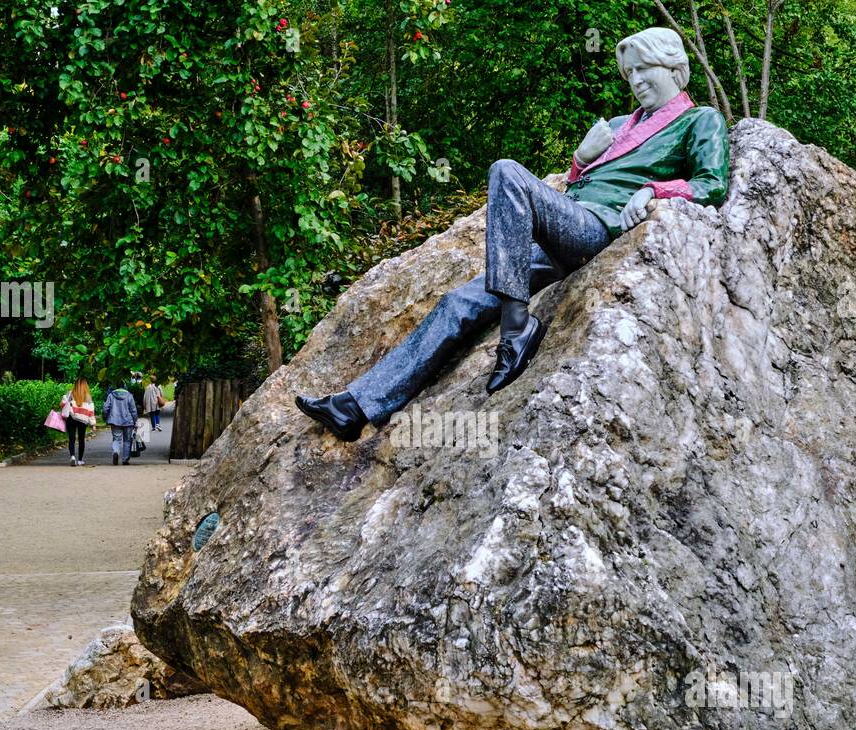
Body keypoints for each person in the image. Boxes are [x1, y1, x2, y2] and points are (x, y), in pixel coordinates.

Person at [295, 26, 729, 442]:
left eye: (643, 69)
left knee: (506, 171)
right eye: (628, 72)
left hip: (599, 230)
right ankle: (356, 407)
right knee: (458, 302)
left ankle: (517, 329)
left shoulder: (698, 121)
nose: (634, 80)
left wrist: (654, 189)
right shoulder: (618, 126)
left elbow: (712, 183)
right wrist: (580, 158)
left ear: (673, 69)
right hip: (563, 233)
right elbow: (576, 185)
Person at [60, 377, 96, 467]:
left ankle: (72, 456)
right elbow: (91, 411)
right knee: (81, 439)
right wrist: (93, 424)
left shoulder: (70, 393)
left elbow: (62, 404)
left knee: (71, 438)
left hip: (71, 417)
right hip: (82, 419)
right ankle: (80, 460)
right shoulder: (87, 396)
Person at [103, 384, 139, 465]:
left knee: (116, 439)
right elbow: (133, 410)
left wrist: (105, 417)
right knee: (127, 441)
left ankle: (116, 452)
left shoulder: (111, 395)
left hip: (114, 420)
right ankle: (125, 460)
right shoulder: (129, 395)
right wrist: (135, 420)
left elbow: (106, 408)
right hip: (128, 421)